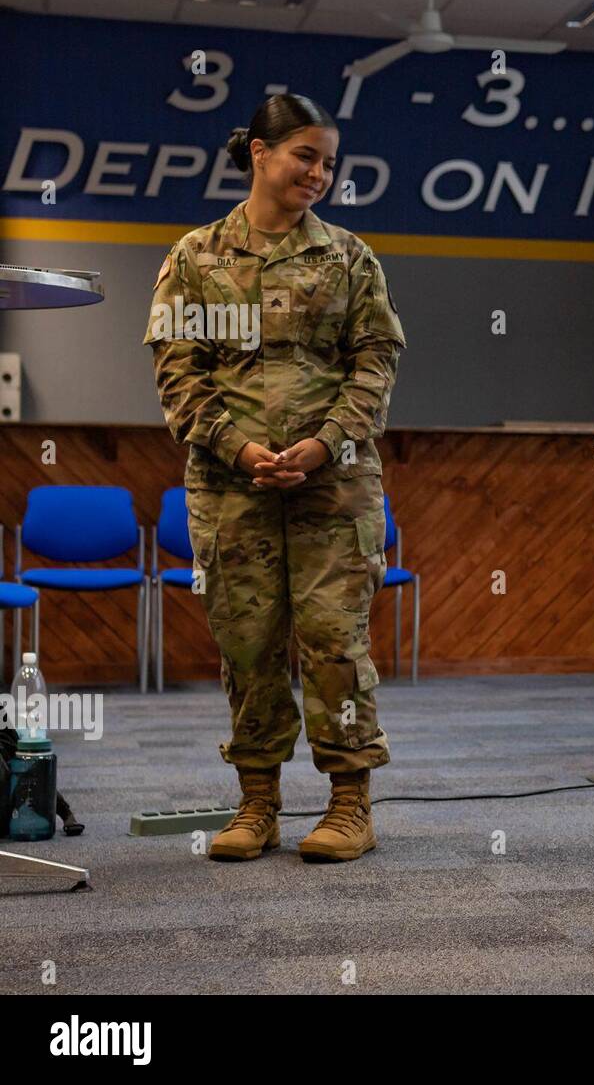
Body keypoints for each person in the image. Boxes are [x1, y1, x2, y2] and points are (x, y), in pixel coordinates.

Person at [143, 93, 406, 863]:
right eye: (305, 156)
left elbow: (376, 362)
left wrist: (324, 444)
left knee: (335, 642)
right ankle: (257, 802)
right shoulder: (196, 257)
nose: (319, 173)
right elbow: (176, 370)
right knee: (248, 644)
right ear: (260, 153)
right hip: (233, 488)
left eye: (328, 162)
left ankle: (350, 804)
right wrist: (237, 447)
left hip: (334, 485)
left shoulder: (350, 258)